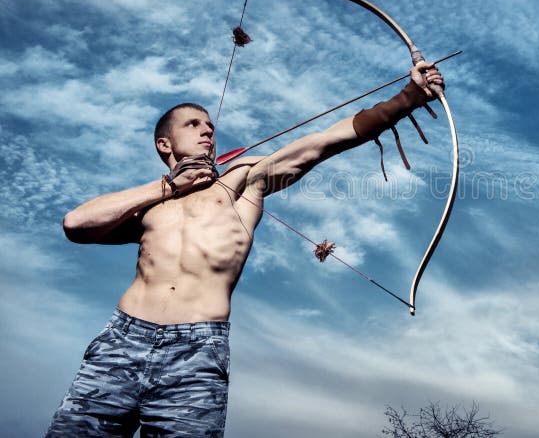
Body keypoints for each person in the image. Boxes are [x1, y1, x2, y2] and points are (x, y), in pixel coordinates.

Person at [46, 62, 445, 436]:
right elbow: (76, 224)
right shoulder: (149, 205)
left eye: (210, 125)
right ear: (164, 143)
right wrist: (169, 186)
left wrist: (409, 96)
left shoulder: (244, 181)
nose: (207, 131)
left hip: (197, 350)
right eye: (193, 124)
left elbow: (321, 143)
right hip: (123, 341)